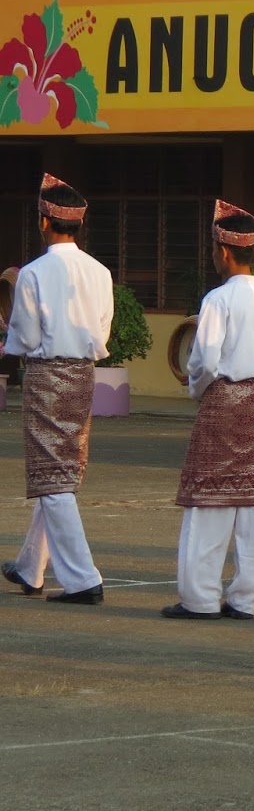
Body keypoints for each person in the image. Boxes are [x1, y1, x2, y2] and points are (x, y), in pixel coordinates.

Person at [162, 201, 254, 620]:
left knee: (208, 499)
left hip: (222, 400)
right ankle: (247, 598)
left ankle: (198, 598)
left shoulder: (217, 300)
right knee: (253, 502)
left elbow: (203, 362)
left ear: (224, 251)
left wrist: (197, 391)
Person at [2, 174, 114, 605]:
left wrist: (9, 340)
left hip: (47, 377)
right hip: (83, 375)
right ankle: (30, 568)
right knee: (59, 472)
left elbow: (24, 338)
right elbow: (102, 331)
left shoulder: (33, 273)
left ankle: (83, 579)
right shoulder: (100, 272)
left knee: (53, 479)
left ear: (44, 222)